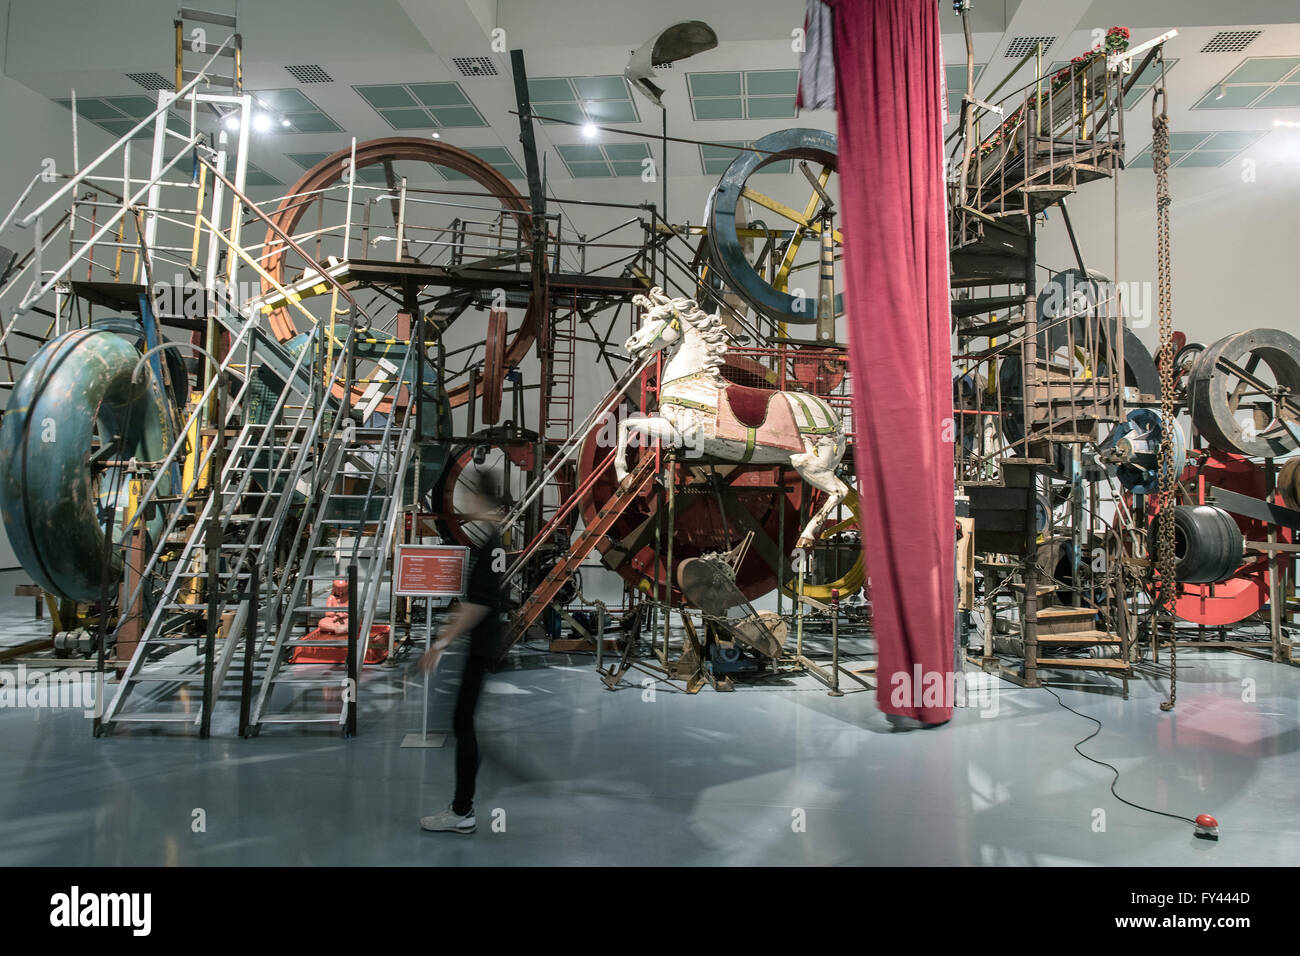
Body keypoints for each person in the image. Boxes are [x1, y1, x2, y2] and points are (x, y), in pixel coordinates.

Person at [418, 480, 507, 835]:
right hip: (484, 644)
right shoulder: (496, 540)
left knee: (462, 724)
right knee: (462, 722)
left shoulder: (490, 544)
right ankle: (462, 807)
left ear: (482, 499)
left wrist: (440, 644)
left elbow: (477, 605)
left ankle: (462, 810)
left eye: (470, 496)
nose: (465, 501)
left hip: (481, 644)